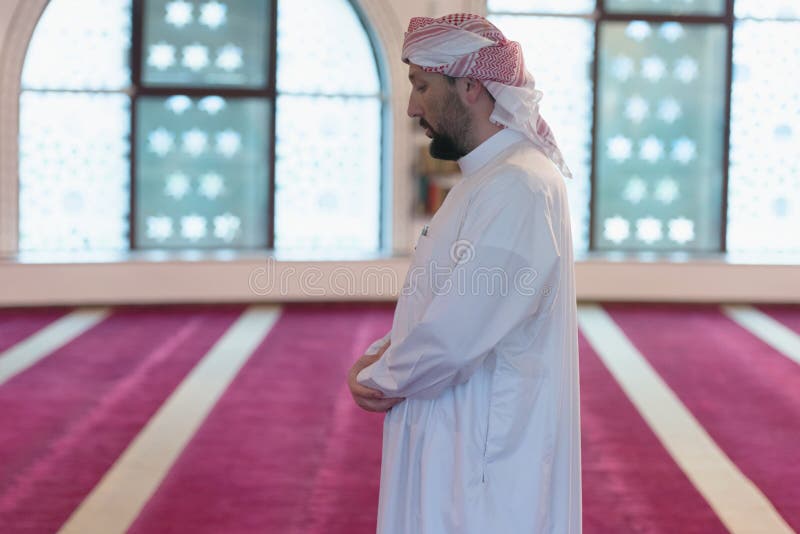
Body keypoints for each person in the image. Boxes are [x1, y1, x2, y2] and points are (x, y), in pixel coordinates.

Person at [347, 13, 581, 534]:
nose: (412, 107)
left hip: (482, 458)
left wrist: (374, 376)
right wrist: (387, 349)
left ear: (470, 85)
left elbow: (455, 337)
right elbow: (453, 299)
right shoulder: (490, 178)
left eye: (422, 86)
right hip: (460, 436)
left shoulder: (517, 184)